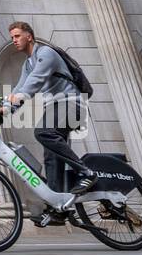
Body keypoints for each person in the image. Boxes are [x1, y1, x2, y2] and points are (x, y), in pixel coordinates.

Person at [5, 21, 97, 212]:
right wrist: (4, 108)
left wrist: (18, 98)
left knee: (44, 132)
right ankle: (58, 206)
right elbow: (19, 87)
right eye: (12, 37)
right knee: (52, 156)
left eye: (17, 36)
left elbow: (35, 80)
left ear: (29, 36)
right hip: (54, 108)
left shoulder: (46, 53)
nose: (14, 40)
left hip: (71, 104)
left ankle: (86, 172)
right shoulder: (28, 64)